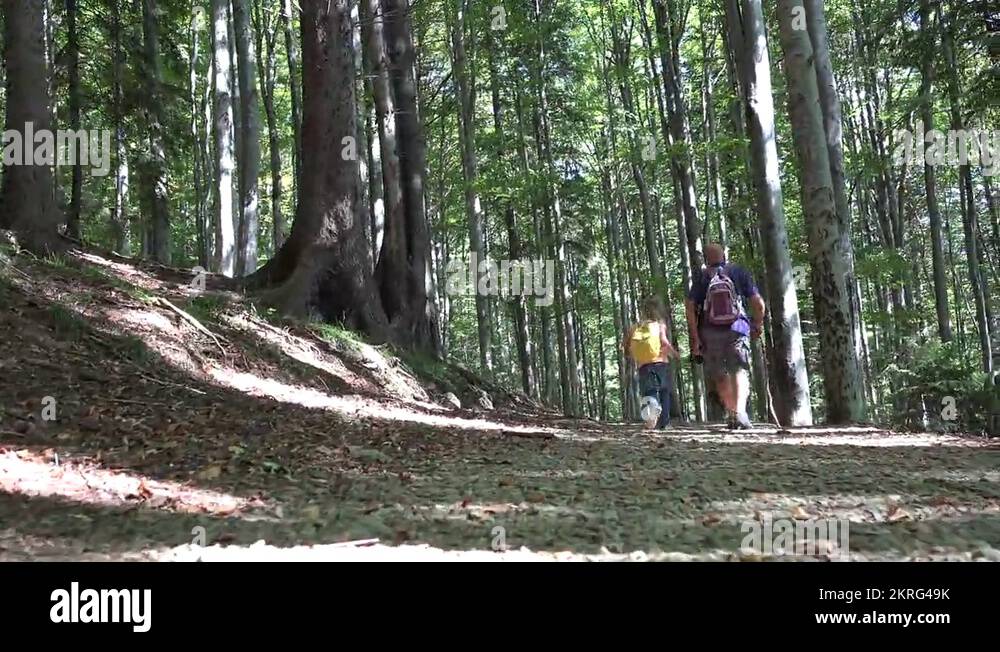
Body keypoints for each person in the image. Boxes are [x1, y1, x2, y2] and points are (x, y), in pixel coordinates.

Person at [684, 244, 766, 430]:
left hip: (709, 331)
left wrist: (695, 337)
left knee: (719, 374)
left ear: (706, 258)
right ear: (724, 255)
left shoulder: (702, 277)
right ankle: (740, 413)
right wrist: (758, 323)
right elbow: (757, 302)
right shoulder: (738, 272)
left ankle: (732, 412)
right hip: (737, 327)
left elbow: (689, 307)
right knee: (739, 369)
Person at [624, 296, 680, 429]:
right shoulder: (660, 325)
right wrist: (675, 354)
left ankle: (651, 419)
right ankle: (665, 423)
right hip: (661, 363)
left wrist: (632, 356)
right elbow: (664, 343)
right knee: (664, 392)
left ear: (643, 311)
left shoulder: (634, 328)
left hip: (644, 365)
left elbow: (626, 347)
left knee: (649, 391)